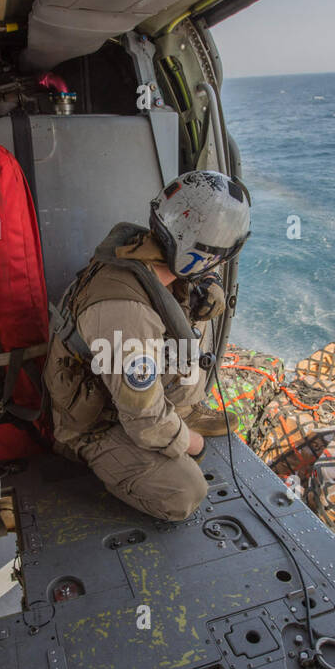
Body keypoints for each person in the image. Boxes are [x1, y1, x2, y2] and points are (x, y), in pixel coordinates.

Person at [44, 170, 252, 521]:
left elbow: (193, 272)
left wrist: (209, 281)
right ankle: (121, 455)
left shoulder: (151, 253)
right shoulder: (126, 313)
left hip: (121, 396)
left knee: (192, 306)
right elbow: (145, 420)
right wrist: (191, 445)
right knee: (185, 491)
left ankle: (184, 411)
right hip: (96, 424)